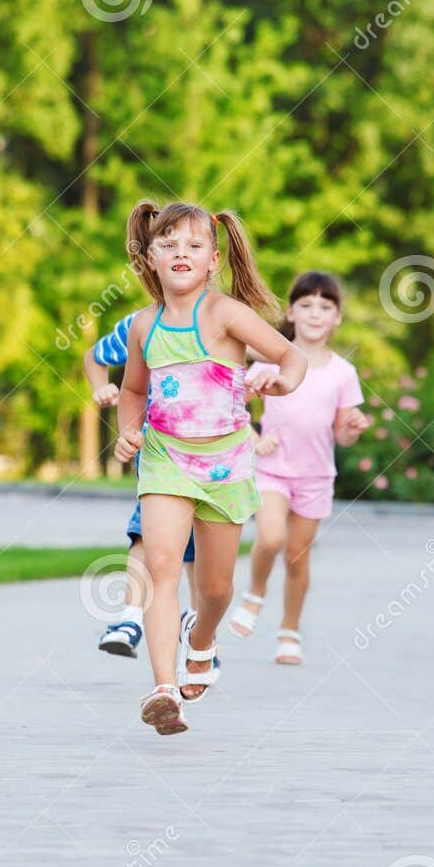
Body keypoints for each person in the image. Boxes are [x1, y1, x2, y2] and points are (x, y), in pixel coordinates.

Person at [114, 200, 307, 735]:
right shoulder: (143, 325)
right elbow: (133, 390)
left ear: (213, 259)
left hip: (225, 467)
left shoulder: (225, 314)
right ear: (149, 257)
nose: (181, 253)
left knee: (216, 589)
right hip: (165, 462)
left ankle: (200, 641)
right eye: (168, 244)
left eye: (194, 245)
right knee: (161, 569)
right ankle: (163, 689)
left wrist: (281, 381)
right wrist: (128, 432)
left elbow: (291, 358)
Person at [227, 271, 370, 664]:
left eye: (325, 306)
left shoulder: (343, 373)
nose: (315, 313)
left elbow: (342, 435)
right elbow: (232, 406)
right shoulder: (272, 362)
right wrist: (255, 440)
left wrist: (352, 429)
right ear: (290, 312)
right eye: (306, 305)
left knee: (296, 556)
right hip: (271, 469)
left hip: (316, 476)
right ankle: (255, 594)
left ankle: (289, 631)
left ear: (337, 317)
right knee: (271, 538)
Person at [82, 312, 197, 657]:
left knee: (200, 548)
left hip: (211, 458)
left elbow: (263, 353)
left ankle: (199, 631)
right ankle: (129, 619)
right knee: (145, 532)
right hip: (156, 451)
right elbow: (95, 356)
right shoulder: (141, 323)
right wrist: (100, 387)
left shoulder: (220, 318)